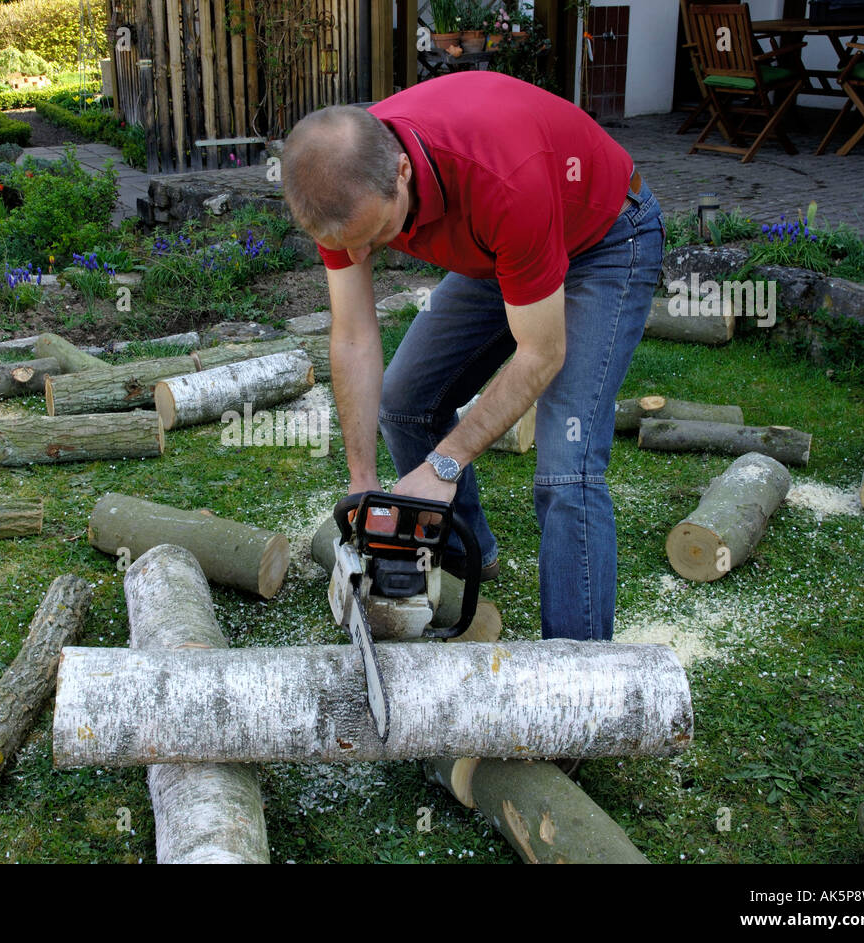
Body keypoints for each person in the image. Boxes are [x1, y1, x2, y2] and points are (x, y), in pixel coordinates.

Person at [281, 71, 665, 642]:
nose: (359, 254)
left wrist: (445, 464)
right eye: (345, 247)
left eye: (374, 234)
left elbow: (542, 352)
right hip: (498, 248)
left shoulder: (505, 179)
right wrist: (363, 482)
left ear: (402, 173)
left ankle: (582, 676)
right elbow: (355, 335)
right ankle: (466, 558)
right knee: (406, 402)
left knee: (567, 468)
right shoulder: (340, 182)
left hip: (601, 240)